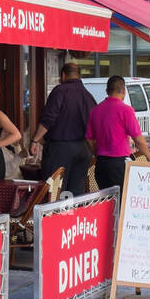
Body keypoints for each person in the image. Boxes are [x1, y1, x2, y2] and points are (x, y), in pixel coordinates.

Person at [29, 62, 97, 198]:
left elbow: (48, 119)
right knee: (76, 193)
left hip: (60, 150)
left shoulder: (59, 91)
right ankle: (72, 218)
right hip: (83, 150)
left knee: (55, 192)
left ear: (63, 75)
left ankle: (57, 218)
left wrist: (35, 140)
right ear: (79, 76)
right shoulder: (88, 96)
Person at [86, 75, 150, 189]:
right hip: (118, 164)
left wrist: (97, 153)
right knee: (122, 200)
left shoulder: (95, 110)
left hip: (100, 164)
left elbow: (89, 139)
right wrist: (149, 156)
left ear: (107, 91)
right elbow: (138, 139)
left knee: (107, 203)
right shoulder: (126, 110)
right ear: (124, 91)